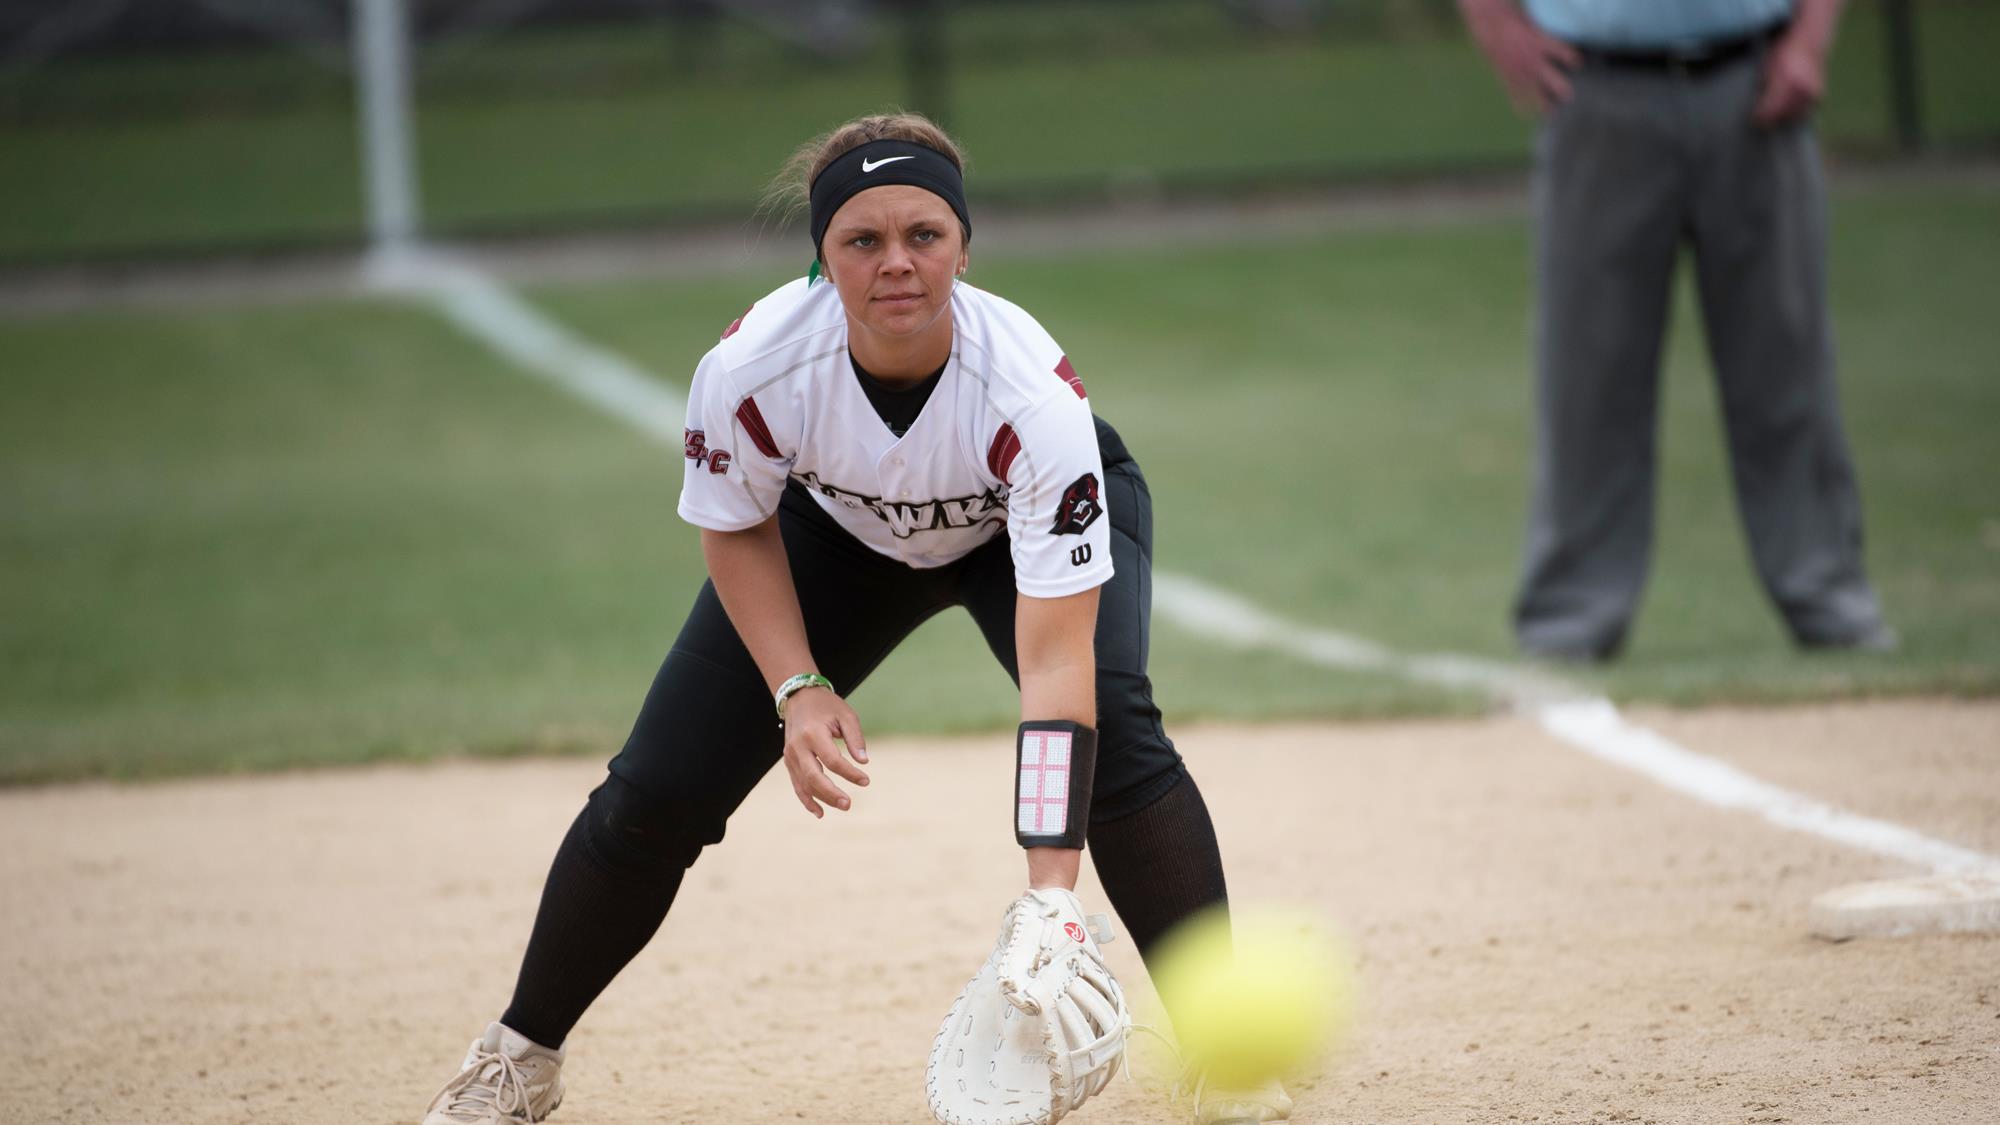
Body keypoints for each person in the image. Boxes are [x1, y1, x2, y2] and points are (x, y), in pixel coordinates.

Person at [419, 113, 1292, 1125]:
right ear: (820, 259)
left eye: (923, 235)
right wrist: (797, 687)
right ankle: (518, 1059)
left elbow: (1057, 670)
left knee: (1121, 740)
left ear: (964, 247)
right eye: (860, 241)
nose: (896, 264)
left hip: (1012, 532)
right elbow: (736, 525)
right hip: (830, 537)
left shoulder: (1027, 398)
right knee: (654, 791)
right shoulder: (751, 369)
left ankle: (1223, 1052)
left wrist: (1049, 895)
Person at [1458, 0, 1894, 661]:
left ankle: (1830, 599)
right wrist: (1493, 21)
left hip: (1757, 76)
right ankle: (1572, 617)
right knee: (1589, 374)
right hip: (1596, 82)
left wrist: (1809, 39)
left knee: (1786, 363)